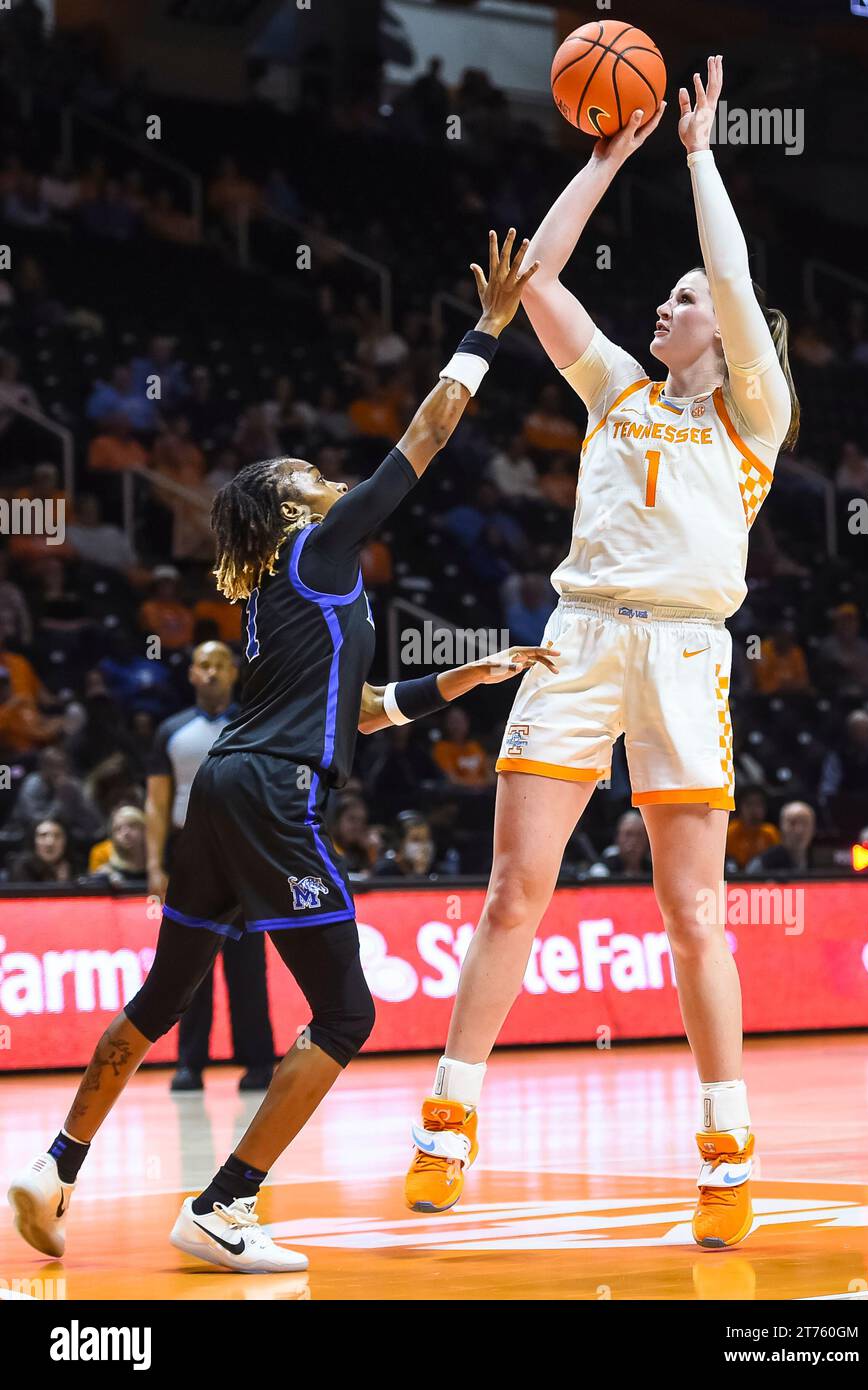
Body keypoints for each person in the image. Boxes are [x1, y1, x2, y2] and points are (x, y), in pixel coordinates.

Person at [7, 228, 551, 1274]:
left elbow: (359, 712)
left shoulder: (283, 592)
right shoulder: (320, 546)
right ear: (289, 504)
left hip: (225, 786)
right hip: (271, 791)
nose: (329, 475)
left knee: (161, 998)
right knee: (346, 1011)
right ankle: (224, 1204)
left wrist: (464, 678)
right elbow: (427, 436)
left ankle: (53, 1165)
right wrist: (487, 328)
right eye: (309, 472)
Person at [402, 58, 799, 1253]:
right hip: (577, 643)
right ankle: (447, 1126)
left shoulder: (756, 416)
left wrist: (697, 156)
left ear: (729, 335)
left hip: (683, 655)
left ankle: (727, 1153)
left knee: (693, 912)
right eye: (668, 297)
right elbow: (533, 278)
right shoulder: (617, 389)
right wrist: (604, 160)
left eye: (683, 300)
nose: (665, 309)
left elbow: (732, 275)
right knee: (512, 892)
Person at [145, 641, 276, 1093]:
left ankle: (258, 1062)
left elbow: (268, 794)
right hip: (189, 854)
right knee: (188, 964)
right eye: (204, 664)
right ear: (192, 674)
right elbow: (156, 803)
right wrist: (153, 865)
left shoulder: (255, 723)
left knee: (248, 967)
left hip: (243, 854)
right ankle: (189, 1063)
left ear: (235, 673)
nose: (213, 672)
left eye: (221, 664)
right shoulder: (171, 731)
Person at [746, 801, 819, 875]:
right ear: (781, 827)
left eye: (805, 823)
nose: (799, 830)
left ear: (813, 829)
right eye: (792, 823)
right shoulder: (762, 864)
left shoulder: (822, 862)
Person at [725, 785, 780, 871]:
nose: (754, 810)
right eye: (749, 804)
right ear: (739, 807)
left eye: (758, 804)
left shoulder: (770, 833)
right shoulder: (731, 831)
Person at [5, 818, 73, 884]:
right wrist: (60, 884)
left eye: (57, 835)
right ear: (33, 841)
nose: (50, 842)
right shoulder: (21, 867)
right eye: (43, 835)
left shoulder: (73, 864)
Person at [599, 809, 652, 879]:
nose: (633, 841)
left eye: (639, 835)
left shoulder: (655, 870)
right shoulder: (602, 871)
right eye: (628, 834)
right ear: (617, 838)